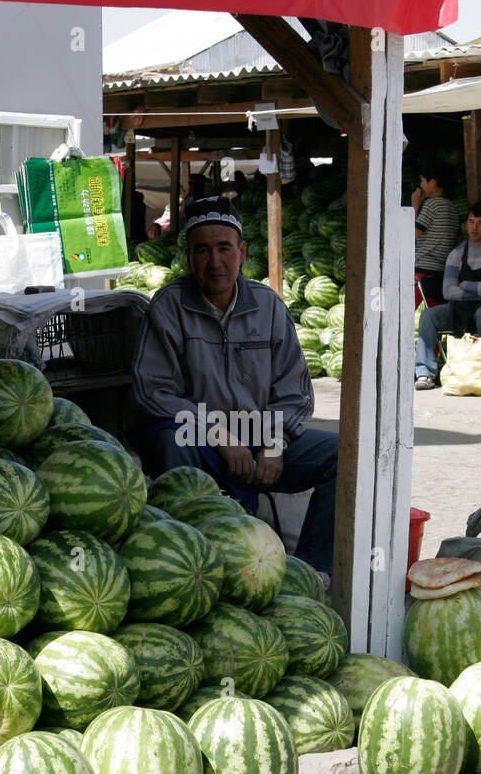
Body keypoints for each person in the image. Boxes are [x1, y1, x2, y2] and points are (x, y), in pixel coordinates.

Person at [129, 196, 340, 577]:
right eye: (203, 250)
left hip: (261, 436)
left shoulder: (268, 306)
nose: (215, 262)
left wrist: (273, 444)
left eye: (224, 248)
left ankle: (310, 572)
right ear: (188, 256)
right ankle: (187, 568)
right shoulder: (168, 306)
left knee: (343, 454)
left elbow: (293, 392)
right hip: (196, 437)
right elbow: (153, 392)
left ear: (241, 252)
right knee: (167, 440)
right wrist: (219, 434)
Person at [414, 202, 481, 388]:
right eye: (471, 221)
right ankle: (425, 373)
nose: (474, 227)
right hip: (459, 309)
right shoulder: (455, 254)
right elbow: (448, 291)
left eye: (480, 222)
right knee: (428, 315)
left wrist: (464, 285)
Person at [410, 164, 460, 308]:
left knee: (403, 309)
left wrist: (415, 205)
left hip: (424, 268)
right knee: (434, 311)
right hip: (441, 271)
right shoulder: (452, 208)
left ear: (432, 182)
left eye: (422, 181)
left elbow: (412, 234)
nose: (421, 185)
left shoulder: (432, 206)